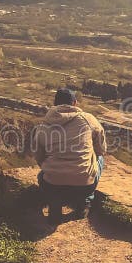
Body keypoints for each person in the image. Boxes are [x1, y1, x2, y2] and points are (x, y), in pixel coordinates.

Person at [34, 88, 106, 225]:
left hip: (52, 184)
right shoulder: (88, 119)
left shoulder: (43, 125)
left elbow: (39, 157)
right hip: (84, 185)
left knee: (41, 175)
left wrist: (54, 170)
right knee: (99, 159)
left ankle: (55, 205)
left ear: (55, 104)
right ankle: (84, 204)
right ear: (75, 103)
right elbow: (101, 149)